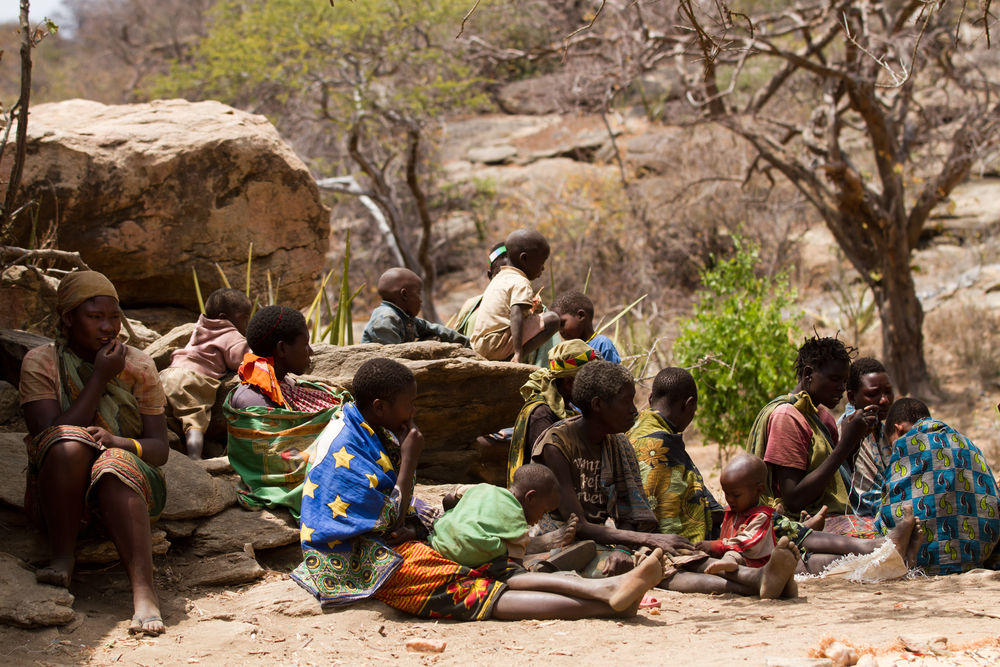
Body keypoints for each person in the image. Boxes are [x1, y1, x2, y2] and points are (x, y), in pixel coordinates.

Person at [292, 358, 668, 620]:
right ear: (379, 406)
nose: (414, 414)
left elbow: (393, 512)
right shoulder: (348, 447)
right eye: (409, 406)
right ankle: (604, 601)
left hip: (383, 544)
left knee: (485, 566)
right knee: (465, 586)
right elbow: (386, 519)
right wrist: (410, 459)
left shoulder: (364, 429)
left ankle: (606, 590)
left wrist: (414, 524)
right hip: (351, 561)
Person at [533, 360, 801, 598]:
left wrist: (627, 546)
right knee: (651, 566)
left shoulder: (618, 444)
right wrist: (643, 542)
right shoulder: (557, 445)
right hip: (562, 540)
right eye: (627, 403)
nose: (635, 412)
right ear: (598, 405)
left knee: (673, 553)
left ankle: (761, 578)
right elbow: (576, 525)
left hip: (604, 535)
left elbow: (629, 510)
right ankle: (757, 583)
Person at [19, 271, 169, 636]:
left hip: (127, 481)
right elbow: (48, 434)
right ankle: (63, 556)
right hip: (59, 484)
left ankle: (144, 594)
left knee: (114, 466)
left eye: (114, 317)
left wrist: (119, 443)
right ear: (68, 319)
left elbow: (159, 449)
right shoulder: (42, 362)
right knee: (68, 443)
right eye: (95, 317)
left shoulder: (139, 364)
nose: (108, 327)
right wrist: (100, 376)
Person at [696, 453, 920, 575]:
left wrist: (717, 545)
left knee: (845, 546)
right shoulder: (734, 512)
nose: (729, 500)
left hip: (788, 536)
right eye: (726, 494)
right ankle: (895, 560)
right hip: (786, 556)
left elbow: (749, 541)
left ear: (758, 491)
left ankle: (884, 544)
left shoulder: (761, 517)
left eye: (734, 494)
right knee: (838, 562)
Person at [745, 335, 879, 536]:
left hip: (831, 513)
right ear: (808, 374)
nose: (841, 388)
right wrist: (846, 444)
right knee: (879, 541)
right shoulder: (787, 417)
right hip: (799, 521)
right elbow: (794, 499)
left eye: (844, 381)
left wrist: (856, 439)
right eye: (834, 379)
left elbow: (838, 482)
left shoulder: (822, 417)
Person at [224, 305, 347, 519]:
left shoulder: (284, 384)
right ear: (282, 349)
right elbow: (276, 458)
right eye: (305, 344)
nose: (312, 351)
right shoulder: (254, 400)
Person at [876, 398, 1000, 575]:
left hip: (920, 561)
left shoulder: (904, 445)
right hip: (975, 557)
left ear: (898, 429)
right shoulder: (967, 443)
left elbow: (889, 506)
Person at [627, 367, 722, 542]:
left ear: (650, 398)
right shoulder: (662, 441)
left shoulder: (634, 427)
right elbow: (668, 515)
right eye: (693, 409)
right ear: (687, 404)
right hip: (663, 540)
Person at [160, 288, 252, 460]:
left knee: (168, 416)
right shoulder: (230, 333)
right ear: (224, 319)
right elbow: (240, 359)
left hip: (168, 374)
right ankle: (195, 458)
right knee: (194, 418)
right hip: (191, 378)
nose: (247, 324)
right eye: (244, 318)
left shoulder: (200, 327)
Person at [505, 340, 602, 485]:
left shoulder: (568, 408)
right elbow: (550, 474)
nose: (594, 388)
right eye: (590, 383)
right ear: (569, 383)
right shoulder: (542, 414)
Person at [432, 464, 564, 566]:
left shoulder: (483, 487)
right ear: (530, 497)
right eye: (544, 512)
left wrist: (458, 514)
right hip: (470, 556)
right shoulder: (518, 524)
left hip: (439, 543)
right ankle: (535, 558)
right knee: (506, 556)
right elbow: (517, 563)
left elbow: (448, 500)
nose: (542, 518)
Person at [470, 228, 559, 363]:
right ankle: (512, 359)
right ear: (524, 258)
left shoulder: (499, 278)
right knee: (553, 319)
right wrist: (518, 352)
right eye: (541, 262)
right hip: (497, 346)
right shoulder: (520, 281)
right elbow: (515, 314)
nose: (543, 268)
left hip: (480, 345)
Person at [837, 357, 894, 518]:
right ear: (852, 398)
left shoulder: (881, 430)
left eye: (888, 391)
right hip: (860, 517)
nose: (885, 400)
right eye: (873, 394)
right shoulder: (845, 433)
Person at [361, 268, 469, 347]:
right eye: (418, 293)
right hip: (380, 374)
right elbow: (392, 359)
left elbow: (436, 330)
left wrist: (470, 344)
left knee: (434, 337)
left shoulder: (406, 318)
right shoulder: (386, 318)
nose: (421, 300)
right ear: (405, 294)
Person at [454, 242, 509, 338]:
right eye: (500, 275)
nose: (506, 281)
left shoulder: (534, 310)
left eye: (512, 275)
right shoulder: (472, 307)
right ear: (490, 276)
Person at [551, 291, 621, 364]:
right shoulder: (566, 350)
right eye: (558, 327)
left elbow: (613, 373)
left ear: (581, 315)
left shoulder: (602, 344)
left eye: (562, 324)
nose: (560, 331)